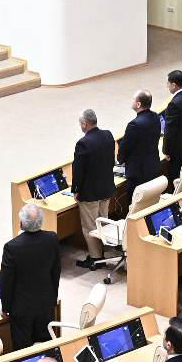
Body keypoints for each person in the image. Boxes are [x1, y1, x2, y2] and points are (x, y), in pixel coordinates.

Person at [0, 204, 61, 348]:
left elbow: (7, 281)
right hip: (46, 303)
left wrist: (5, 307)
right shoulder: (51, 238)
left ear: (21, 224)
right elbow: (56, 271)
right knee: (45, 345)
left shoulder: (12, 247)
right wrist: (52, 298)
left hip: (21, 308)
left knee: (23, 350)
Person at [69, 108, 118, 269]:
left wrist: (75, 190)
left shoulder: (83, 143)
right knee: (103, 221)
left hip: (90, 193)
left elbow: (78, 170)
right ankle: (103, 250)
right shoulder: (108, 135)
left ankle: (96, 257)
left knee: (90, 226)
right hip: (106, 189)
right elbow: (111, 161)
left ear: (84, 124)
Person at [120, 90, 163, 193]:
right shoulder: (155, 117)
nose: (132, 101)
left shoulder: (134, 125)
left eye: (133, 99)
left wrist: (120, 160)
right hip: (153, 165)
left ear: (138, 104)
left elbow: (125, 146)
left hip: (138, 173)